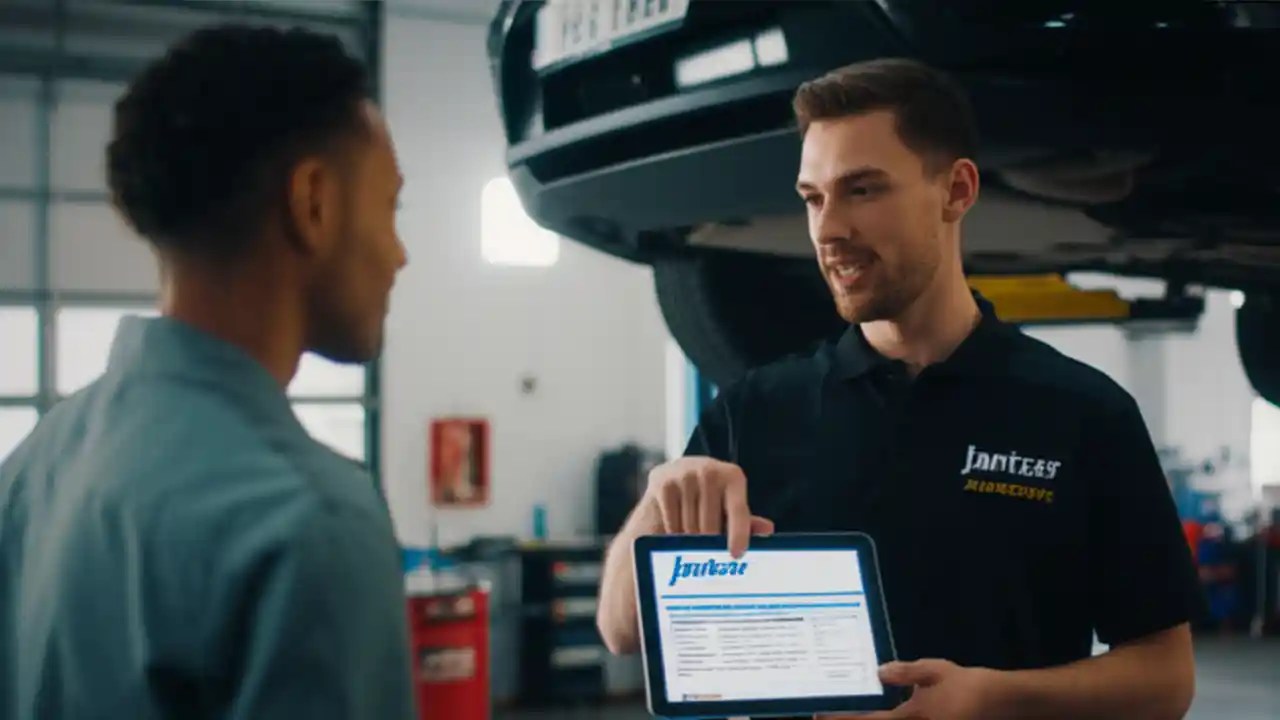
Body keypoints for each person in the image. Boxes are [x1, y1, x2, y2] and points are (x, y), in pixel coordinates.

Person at [596, 58, 1201, 720]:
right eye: (813, 197)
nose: (828, 230)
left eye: (862, 190)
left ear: (957, 190)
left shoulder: (1083, 412)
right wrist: (659, 502)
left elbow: (1165, 679)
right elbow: (622, 630)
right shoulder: (756, 410)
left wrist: (993, 698)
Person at [0, 25, 415, 719]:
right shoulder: (312, 523)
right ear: (313, 203)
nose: (400, 255)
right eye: (390, 207)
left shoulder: (38, 463)